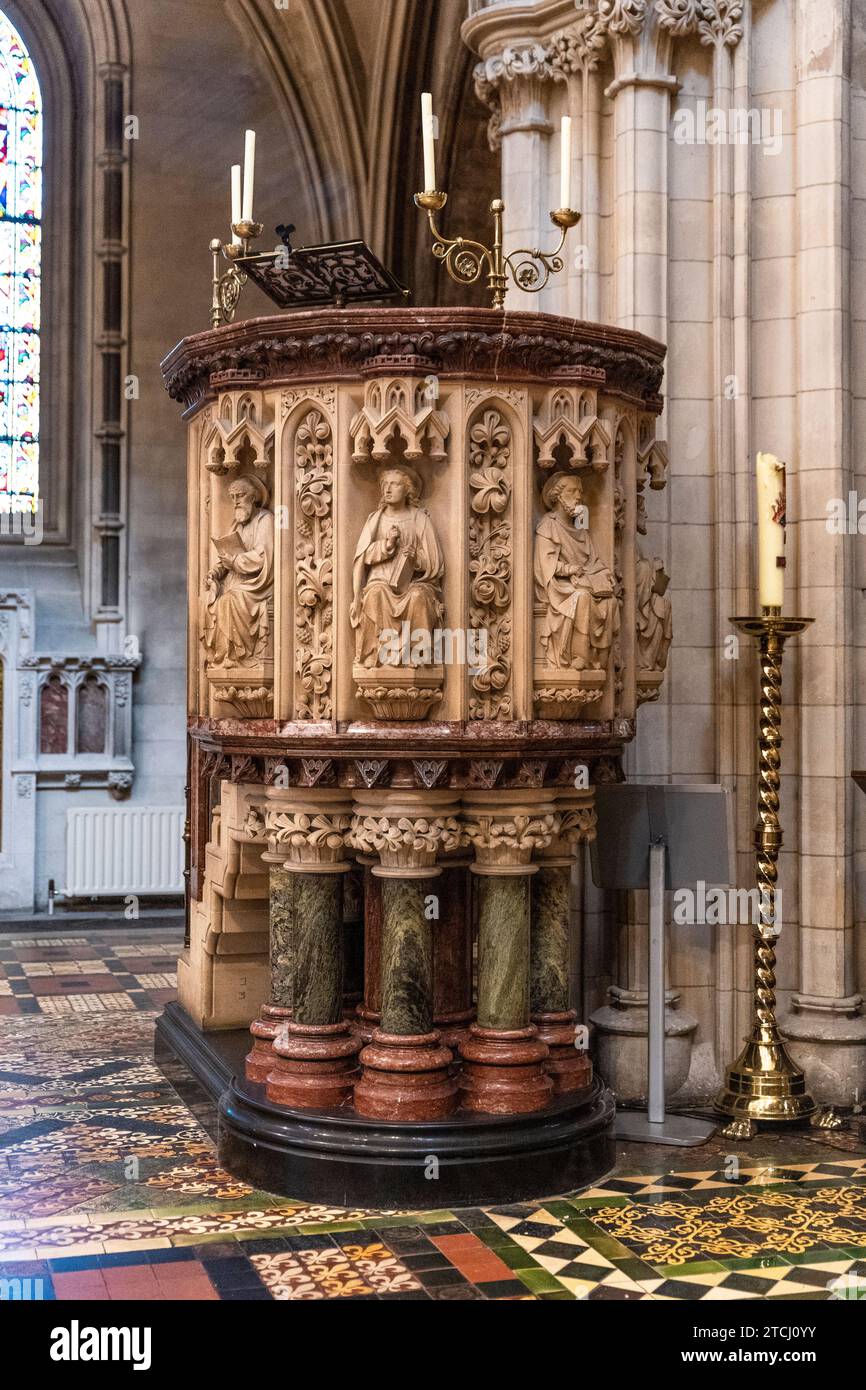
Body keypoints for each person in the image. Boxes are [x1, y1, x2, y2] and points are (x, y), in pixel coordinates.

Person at [351, 465, 444, 667]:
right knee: (374, 595)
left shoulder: (419, 519)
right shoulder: (376, 520)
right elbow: (362, 557)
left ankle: (417, 657)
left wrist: (416, 559)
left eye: (394, 484)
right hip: (381, 581)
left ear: (407, 489)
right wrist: (387, 545)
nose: (387, 489)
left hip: (413, 584)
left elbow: (435, 562)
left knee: (418, 597)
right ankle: (378, 657)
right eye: (385, 484)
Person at [534, 472, 616, 671]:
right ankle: (578, 655)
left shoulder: (580, 529)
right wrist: (569, 569)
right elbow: (544, 565)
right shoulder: (548, 525)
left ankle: (600, 658)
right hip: (558, 587)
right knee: (583, 597)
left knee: (610, 601)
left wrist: (605, 574)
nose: (579, 496)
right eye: (572, 491)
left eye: (580, 491)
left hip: (579, 581)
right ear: (558, 496)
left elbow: (593, 561)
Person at [203, 474, 274, 666]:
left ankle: (236, 656)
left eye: (240, 496)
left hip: (258, 584)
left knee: (229, 600)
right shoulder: (238, 524)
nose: (235, 502)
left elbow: (262, 556)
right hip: (236, 580)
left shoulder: (265, 520)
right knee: (207, 600)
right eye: (232, 497)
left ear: (253, 497)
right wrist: (216, 572)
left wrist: (235, 561)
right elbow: (225, 554)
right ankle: (222, 655)